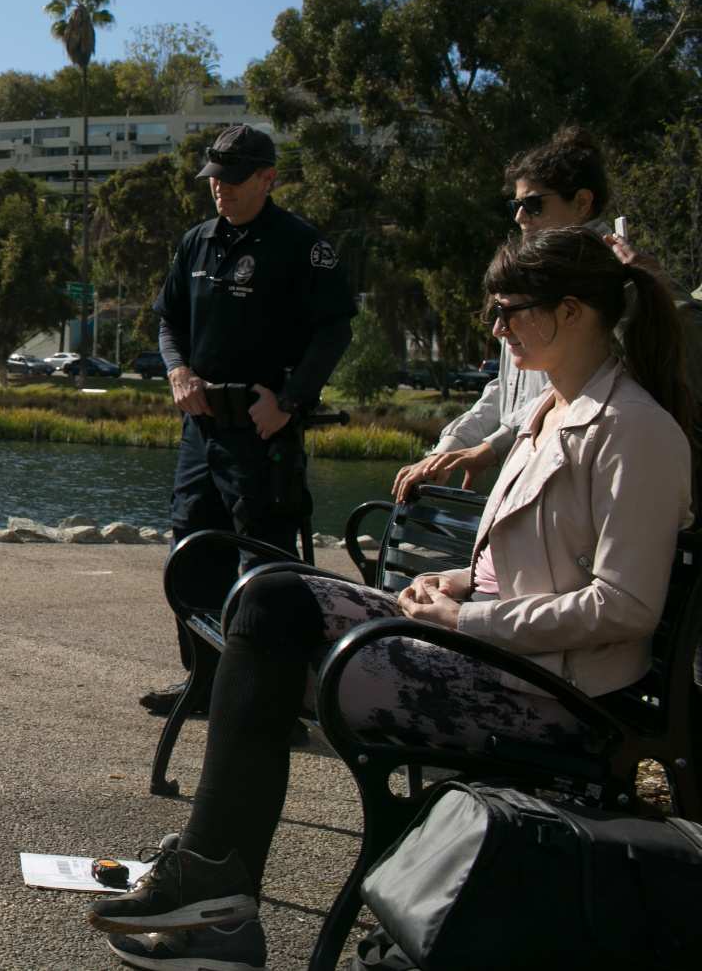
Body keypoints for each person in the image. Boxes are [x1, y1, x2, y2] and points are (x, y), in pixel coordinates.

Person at [90, 226, 695, 970]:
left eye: (508, 309)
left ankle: (216, 898)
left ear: (572, 312)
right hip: (493, 651)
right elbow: (530, 565)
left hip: (549, 694)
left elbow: (626, 605)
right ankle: (213, 885)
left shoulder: (637, 430)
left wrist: (469, 617)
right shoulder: (548, 413)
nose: (496, 326)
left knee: (297, 645)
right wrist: (457, 582)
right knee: (270, 594)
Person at [139, 124, 356, 715]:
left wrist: (289, 400)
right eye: (214, 180)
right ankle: (206, 684)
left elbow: (335, 328)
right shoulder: (197, 242)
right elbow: (168, 322)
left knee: (265, 573)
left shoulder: (301, 245)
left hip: (264, 432)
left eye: (234, 181)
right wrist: (177, 372)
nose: (221, 191)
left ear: (268, 178)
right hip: (202, 425)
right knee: (191, 558)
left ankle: (266, 702)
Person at [392, 126, 611, 503]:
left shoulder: (607, 279)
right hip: (528, 471)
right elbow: (506, 387)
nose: (520, 217)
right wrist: (450, 446)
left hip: (575, 477)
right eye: (516, 206)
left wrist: (491, 448)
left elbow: (569, 391)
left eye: (534, 204)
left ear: (582, 202)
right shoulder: (537, 273)